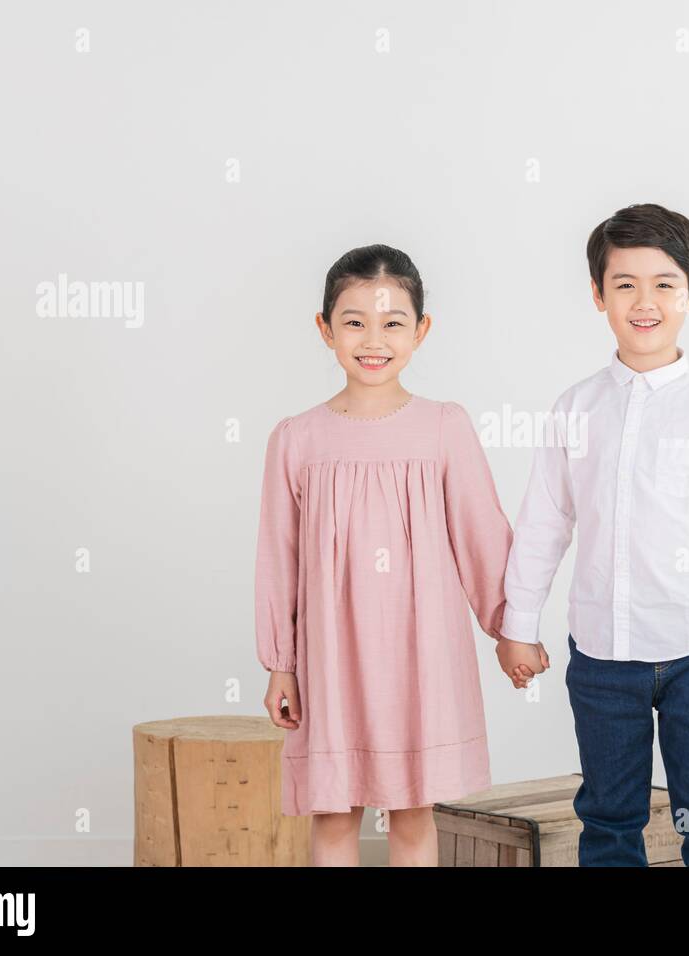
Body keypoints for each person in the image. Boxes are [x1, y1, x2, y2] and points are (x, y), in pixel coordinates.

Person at [500, 204, 689, 866]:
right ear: (598, 295)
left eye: (664, 283)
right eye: (624, 284)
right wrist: (519, 621)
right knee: (608, 815)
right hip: (601, 657)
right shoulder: (576, 407)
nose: (644, 301)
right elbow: (544, 521)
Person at [254, 243, 543, 866]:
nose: (372, 339)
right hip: (330, 658)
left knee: (414, 810)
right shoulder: (296, 439)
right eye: (354, 322)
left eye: (392, 323)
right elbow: (278, 559)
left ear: (421, 330)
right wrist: (281, 661)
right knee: (332, 810)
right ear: (325, 328)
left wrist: (511, 628)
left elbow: (482, 535)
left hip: (421, 655)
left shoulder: (444, 425)